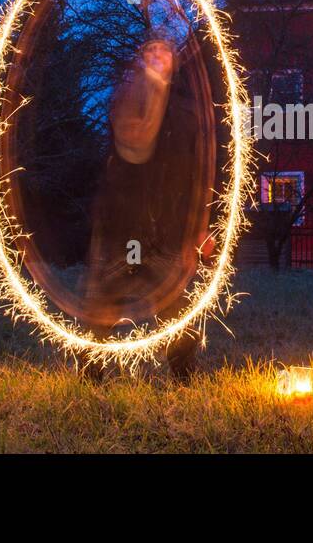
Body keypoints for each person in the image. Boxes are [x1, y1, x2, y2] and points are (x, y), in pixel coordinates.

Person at [80, 27, 216, 382]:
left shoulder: (186, 111)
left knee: (175, 307)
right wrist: (152, 91)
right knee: (101, 305)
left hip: (167, 226)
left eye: (165, 52)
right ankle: (90, 377)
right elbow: (134, 143)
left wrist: (202, 226)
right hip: (121, 221)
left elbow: (200, 173)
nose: (157, 57)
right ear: (140, 61)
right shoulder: (126, 99)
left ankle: (185, 377)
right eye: (149, 52)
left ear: (175, 61)